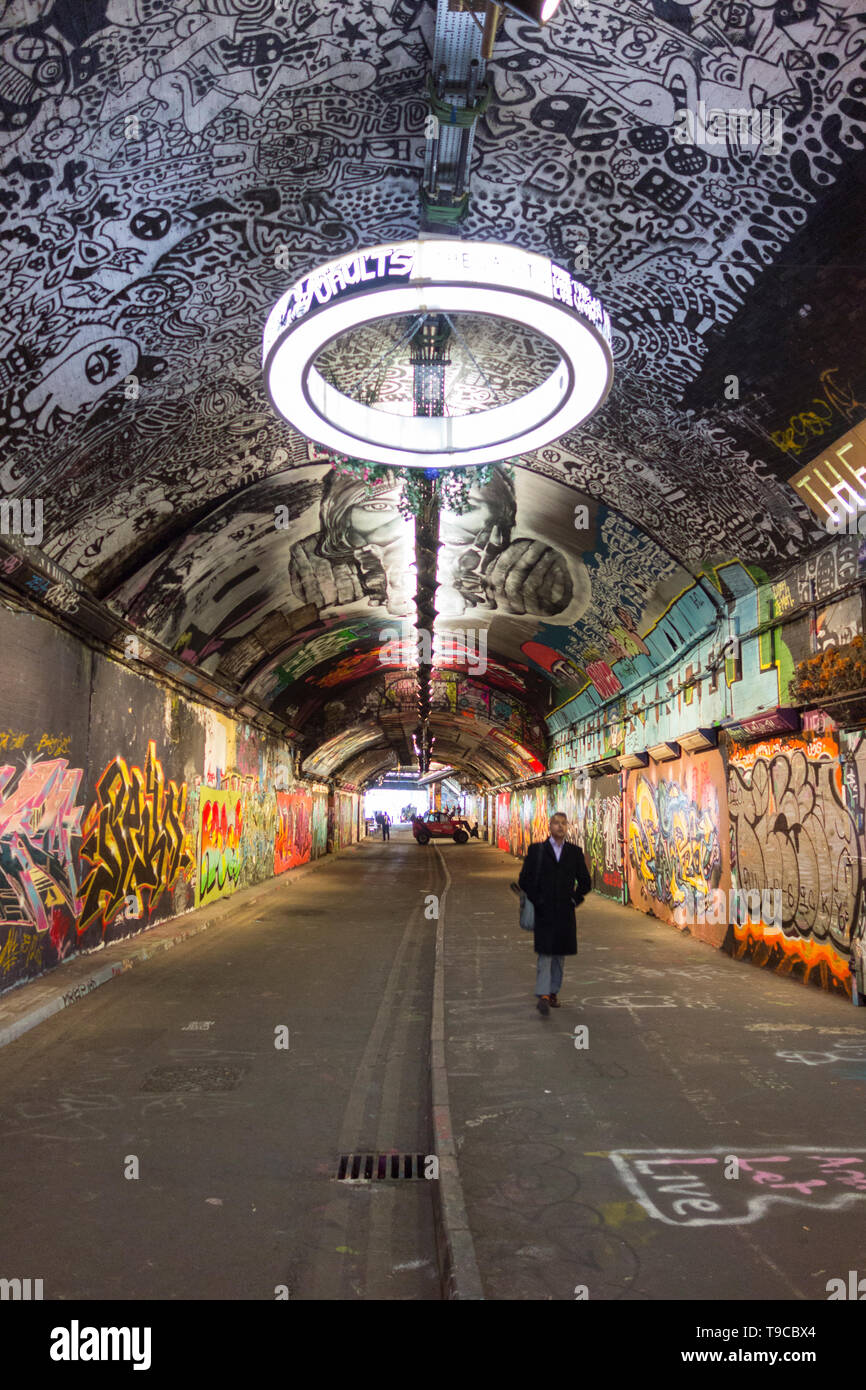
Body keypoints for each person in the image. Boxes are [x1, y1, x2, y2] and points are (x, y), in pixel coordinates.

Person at [518, 811, 591, 1016]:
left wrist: (575, 899)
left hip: (565, 912)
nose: (560, 826)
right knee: (545, 953)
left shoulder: (575, 853)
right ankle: (543, 995)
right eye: (556, 823)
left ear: (567, 827)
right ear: (549, 827)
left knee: (559, 955)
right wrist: (538, 899)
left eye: (563, 823)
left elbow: (585, 882)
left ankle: (553, 992)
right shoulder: (537, 851)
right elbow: (525, 879)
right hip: (544, 910)